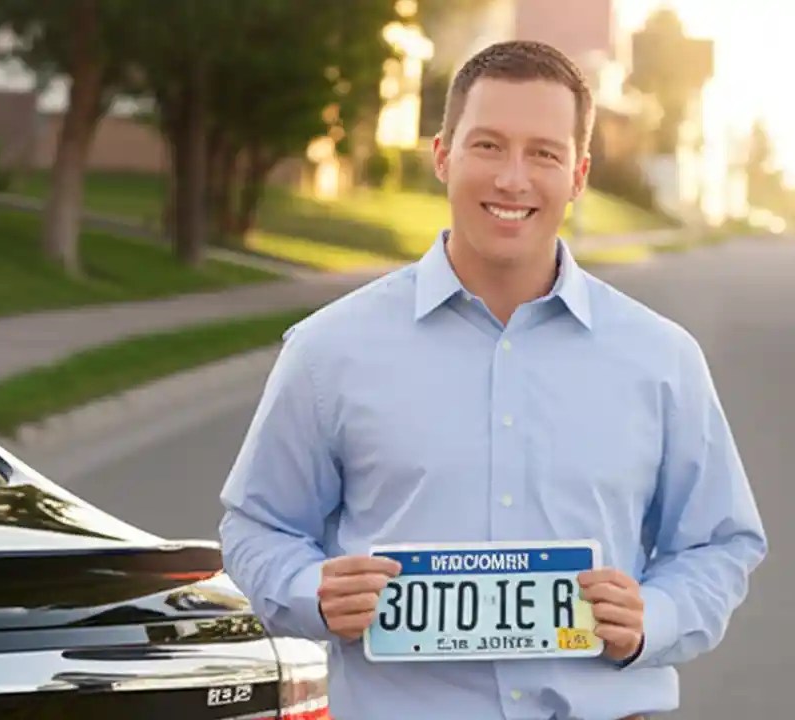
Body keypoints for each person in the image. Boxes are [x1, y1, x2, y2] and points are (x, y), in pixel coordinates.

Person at [218, 39, 767, 720]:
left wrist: (657, 614)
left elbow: (719, 541)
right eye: (488, 146)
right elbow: (257, 526)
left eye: (544, 153)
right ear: (443, 154)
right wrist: (310, 590)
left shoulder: (660, 358)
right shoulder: (329, 351)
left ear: (579, 173)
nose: (513, 179)